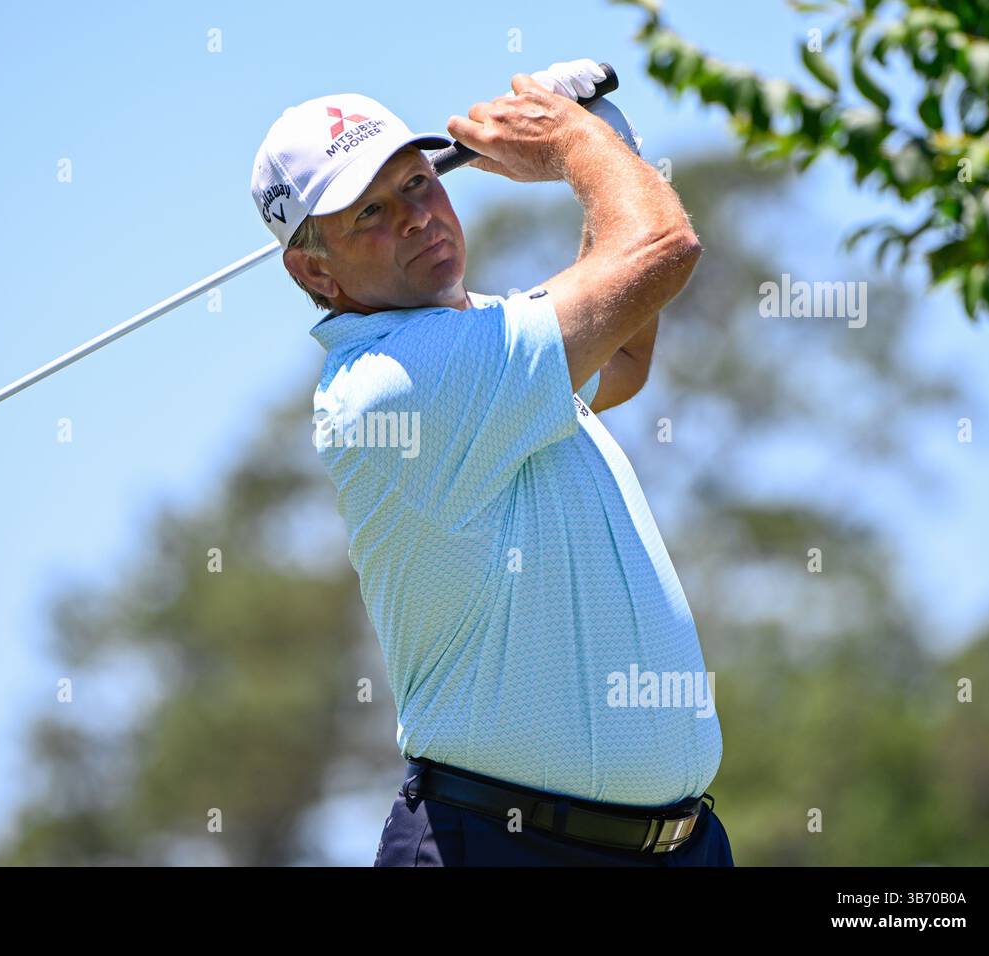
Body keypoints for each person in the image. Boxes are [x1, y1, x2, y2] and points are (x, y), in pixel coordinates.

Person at [249, 60, 732, 866]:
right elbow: (662, 249)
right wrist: (573, 140)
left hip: (676, 848)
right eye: (369, 210)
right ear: (314, 269)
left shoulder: (486, 347)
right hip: (502, 844)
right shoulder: (396, 386)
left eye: (416, 184)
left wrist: (610, 146)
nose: (413, 217)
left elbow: (625, 353)